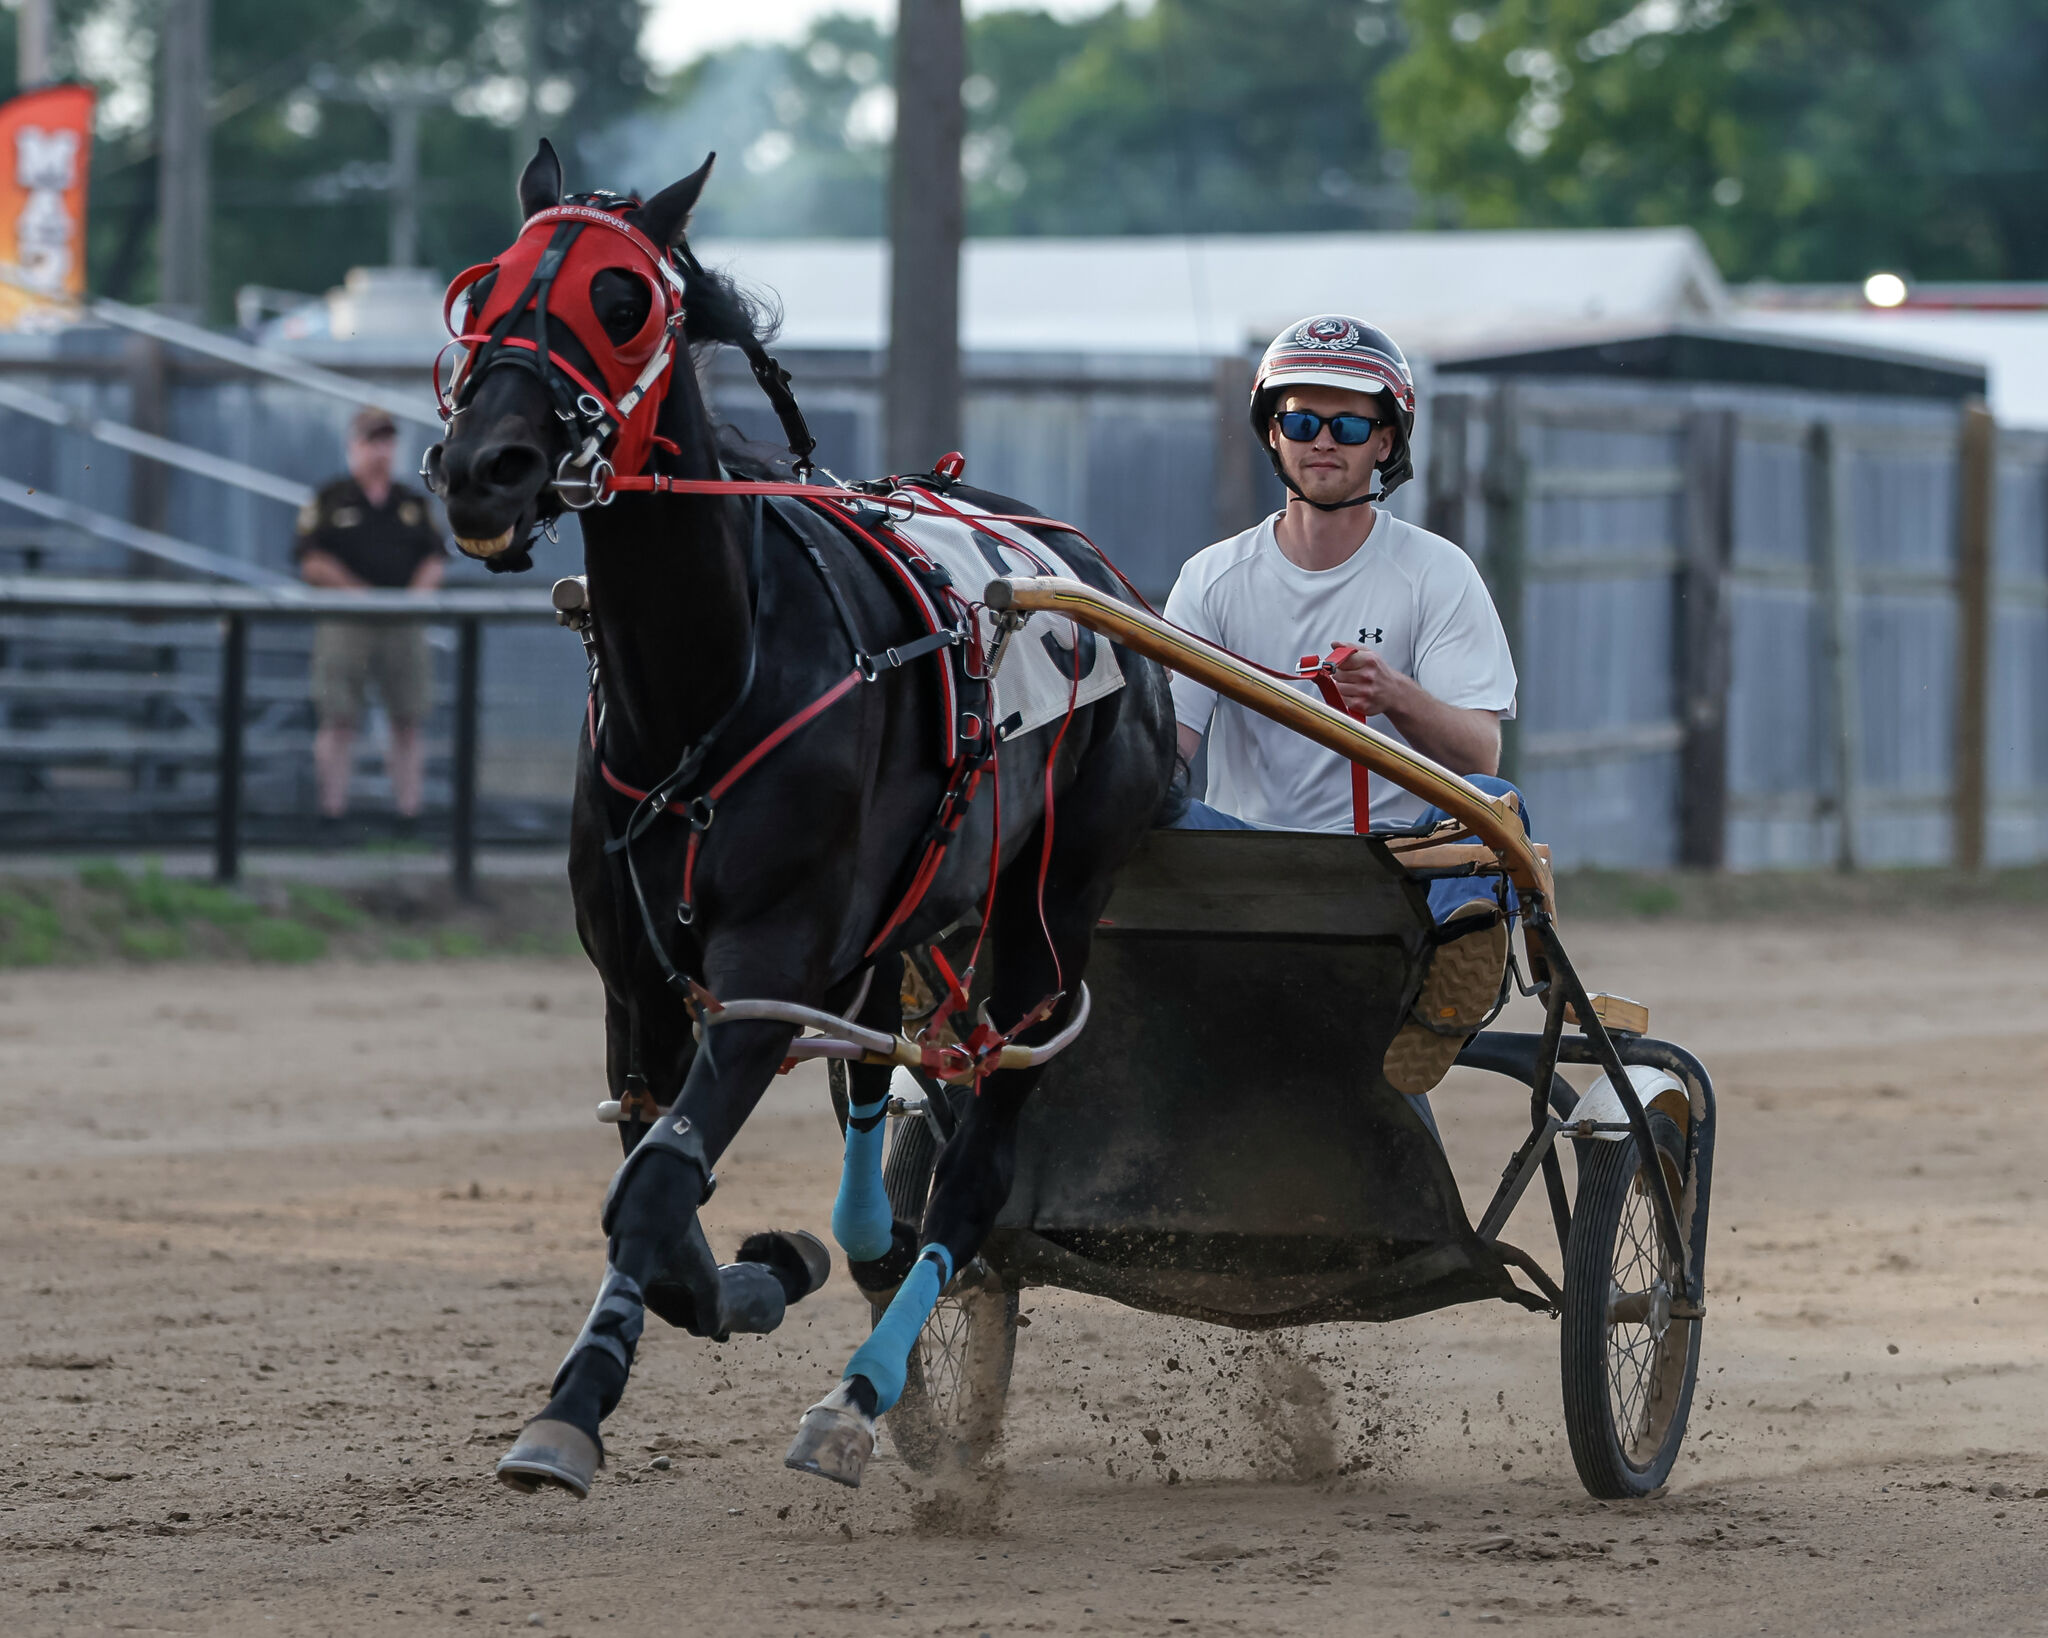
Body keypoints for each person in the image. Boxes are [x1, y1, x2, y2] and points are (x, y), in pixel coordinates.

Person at [1162, 314, 1529, 1107]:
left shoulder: (1436, 573)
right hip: (1245, 860)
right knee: (1131, 802)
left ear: (1384, 444)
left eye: (1349, 423)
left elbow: (1480, 756)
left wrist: (1392, 694)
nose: (1322, 440)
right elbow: (1174, 752)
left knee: (1500, 808)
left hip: (1390, 868)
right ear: (1274, 435)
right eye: (1301, 420)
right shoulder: (1212, 580)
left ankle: (1442, 995)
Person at [295, 407, 446, 834]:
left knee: (408, 718)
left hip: (402, 622)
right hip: (346, 621)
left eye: (387, 441)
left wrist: (415, 598)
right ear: (353, 445)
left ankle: (408, 815)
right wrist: (355, 591)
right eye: (371, 440)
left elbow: (436, 558)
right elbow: (310, 560)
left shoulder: (412, 503)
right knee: (338, 717)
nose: (380, 450)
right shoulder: (330, 497)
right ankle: (332, 814)